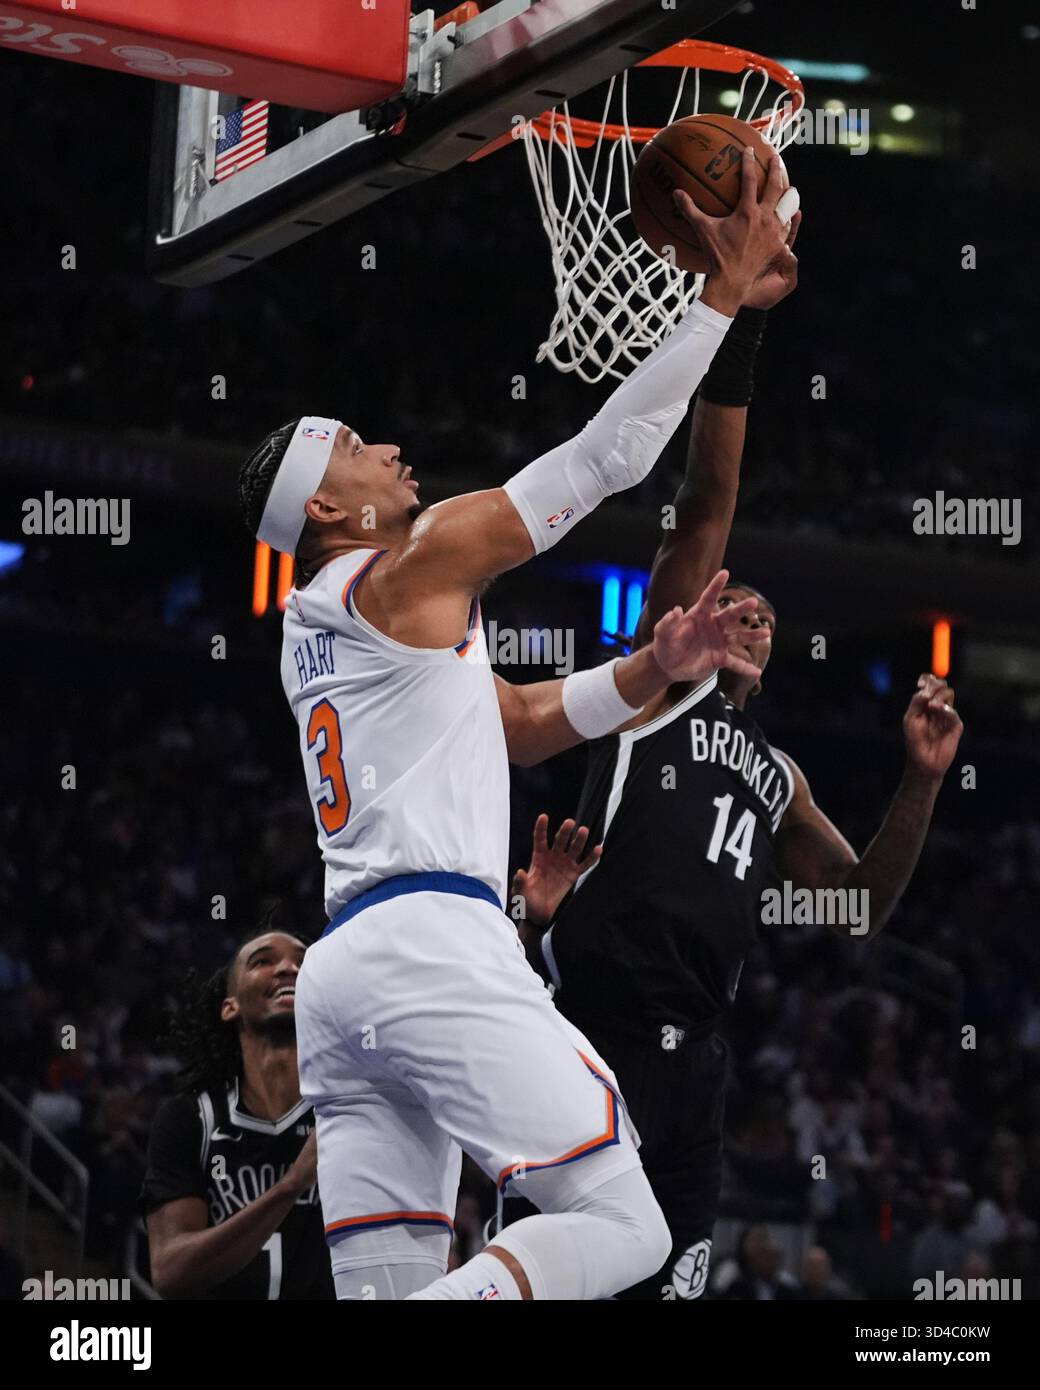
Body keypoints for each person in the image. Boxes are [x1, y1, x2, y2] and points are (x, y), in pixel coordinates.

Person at [235, 150, 795, 1301]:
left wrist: (655, 664)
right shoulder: (411, 562)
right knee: (622, 1222)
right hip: (434, 948)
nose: (390, 449)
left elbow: (524, 722)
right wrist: (717, 299)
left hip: (345, 976)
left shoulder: (326, 629)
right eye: (357, 449)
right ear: (331, 510)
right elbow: (605, 459)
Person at [517, 203, 965, 1299]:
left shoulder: (777, 775)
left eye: (764, 617)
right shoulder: (654, 687)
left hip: (698, 1065)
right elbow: (706, 494)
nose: (749, 614)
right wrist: (745, 326)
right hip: (594, 1025)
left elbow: (855, 906)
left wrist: (917, 779)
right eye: (737, 604)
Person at [142, 929, 333, 1299]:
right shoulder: (189, 1119)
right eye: (264, 961)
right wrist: (290, 1186)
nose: (289, 968)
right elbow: (170, 1272)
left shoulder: (350, 1108)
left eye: (303, 962)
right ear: (230, 1006)